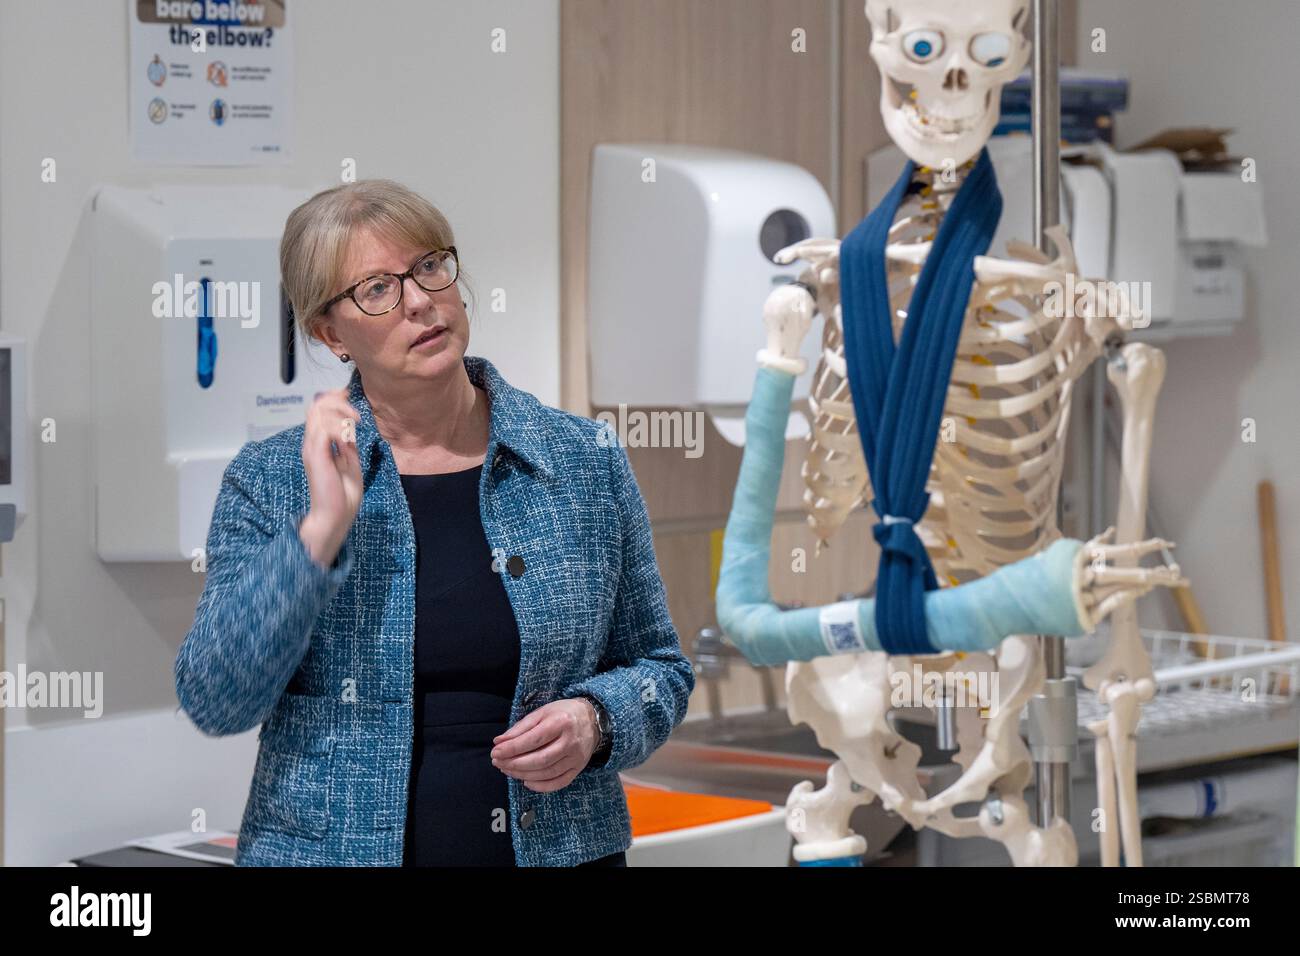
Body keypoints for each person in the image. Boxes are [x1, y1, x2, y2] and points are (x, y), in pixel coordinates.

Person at [174, 179, 695, 866]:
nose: (420, 299)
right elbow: (218, 697)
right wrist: (322, 530)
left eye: (428, 267)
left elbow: (660, 667)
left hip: (561, 851)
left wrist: (597, 721)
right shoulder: (273, 480)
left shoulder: (580, 461)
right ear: (332, 333)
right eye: (377, 289)